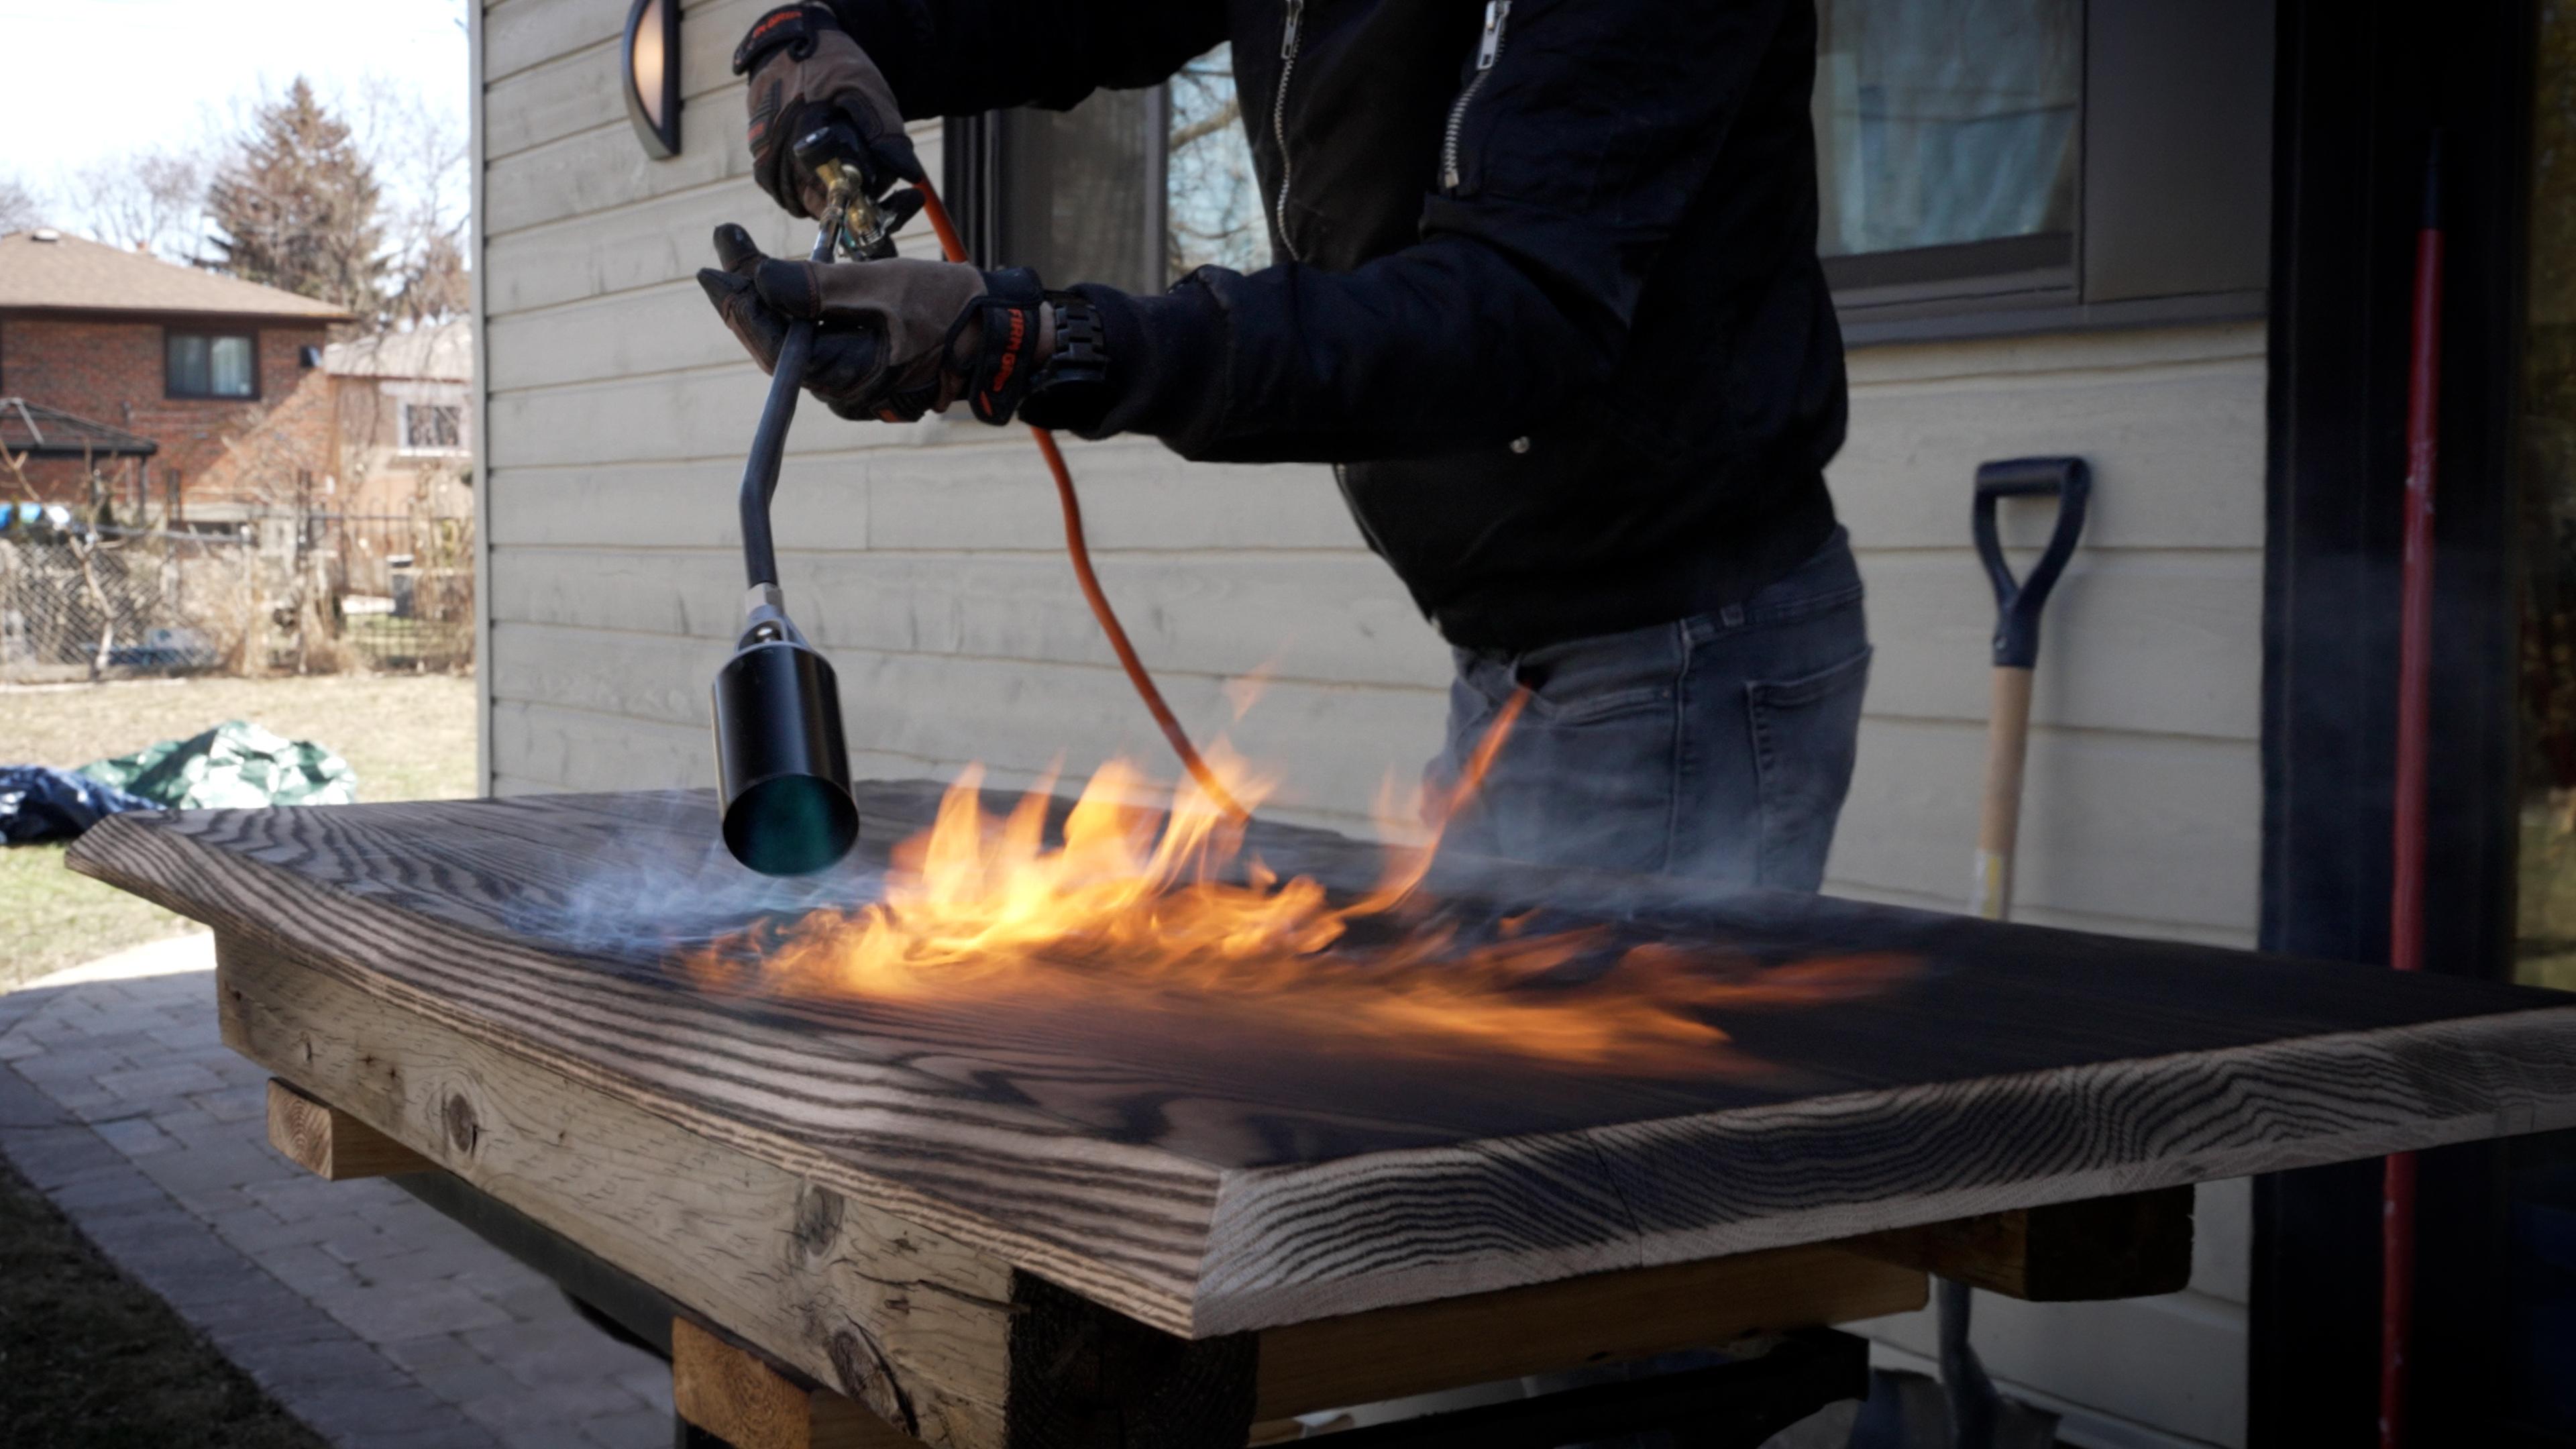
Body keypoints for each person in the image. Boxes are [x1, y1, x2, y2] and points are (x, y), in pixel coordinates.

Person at [700, 0, 1868, 892]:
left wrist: (1034, 345)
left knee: (1584, 1164)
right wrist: (855, 29)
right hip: (1518, 636)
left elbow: (1512, 309)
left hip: (1677, 644)